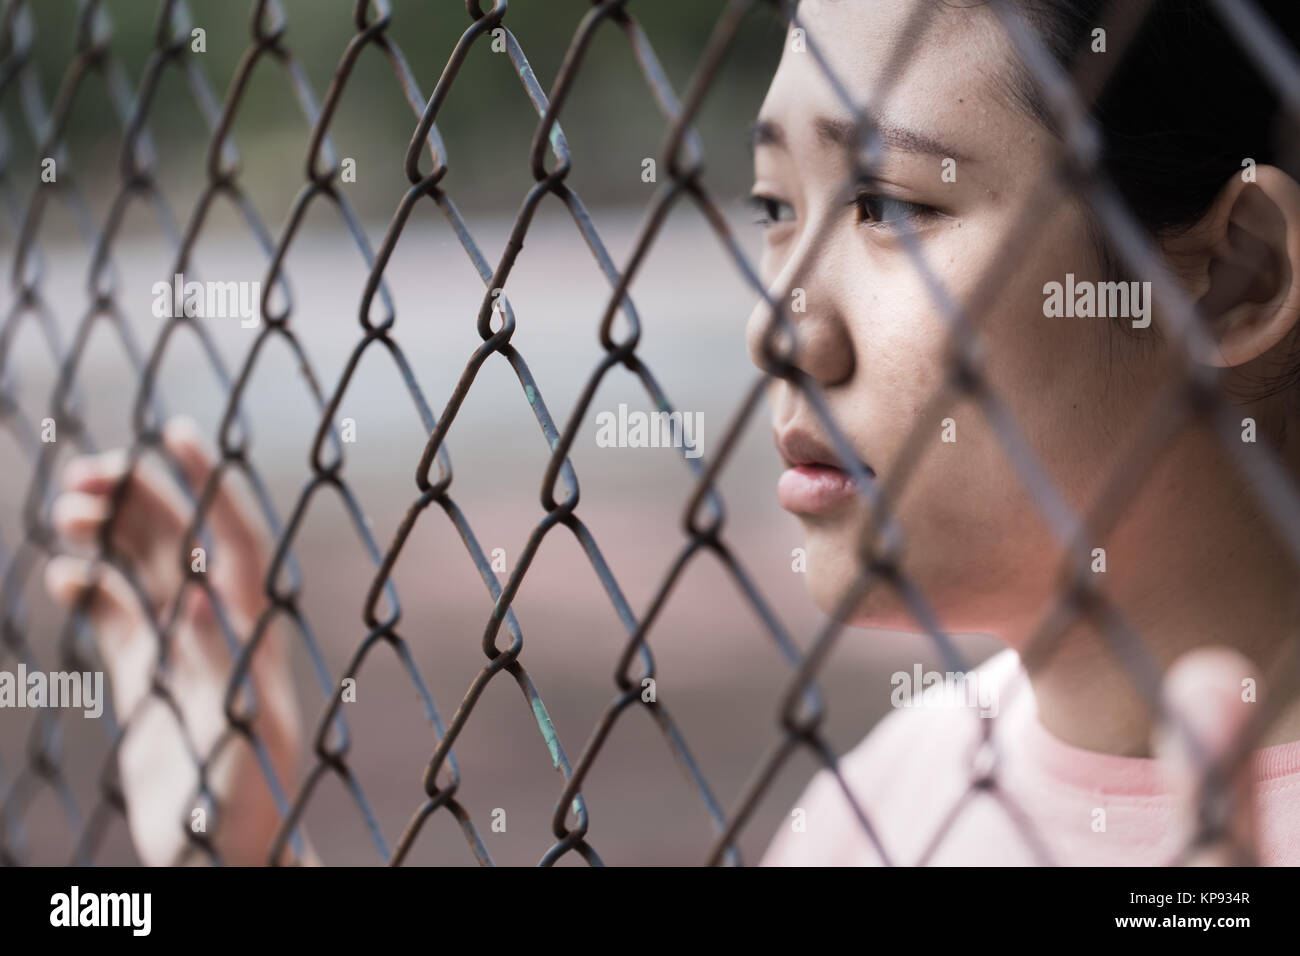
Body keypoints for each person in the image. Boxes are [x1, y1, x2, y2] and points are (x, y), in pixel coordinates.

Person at [44, 0, 1300, 865]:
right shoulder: (877, 806)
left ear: (1233, 273)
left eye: (891, 204)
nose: (780, 329)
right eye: (771, 203)